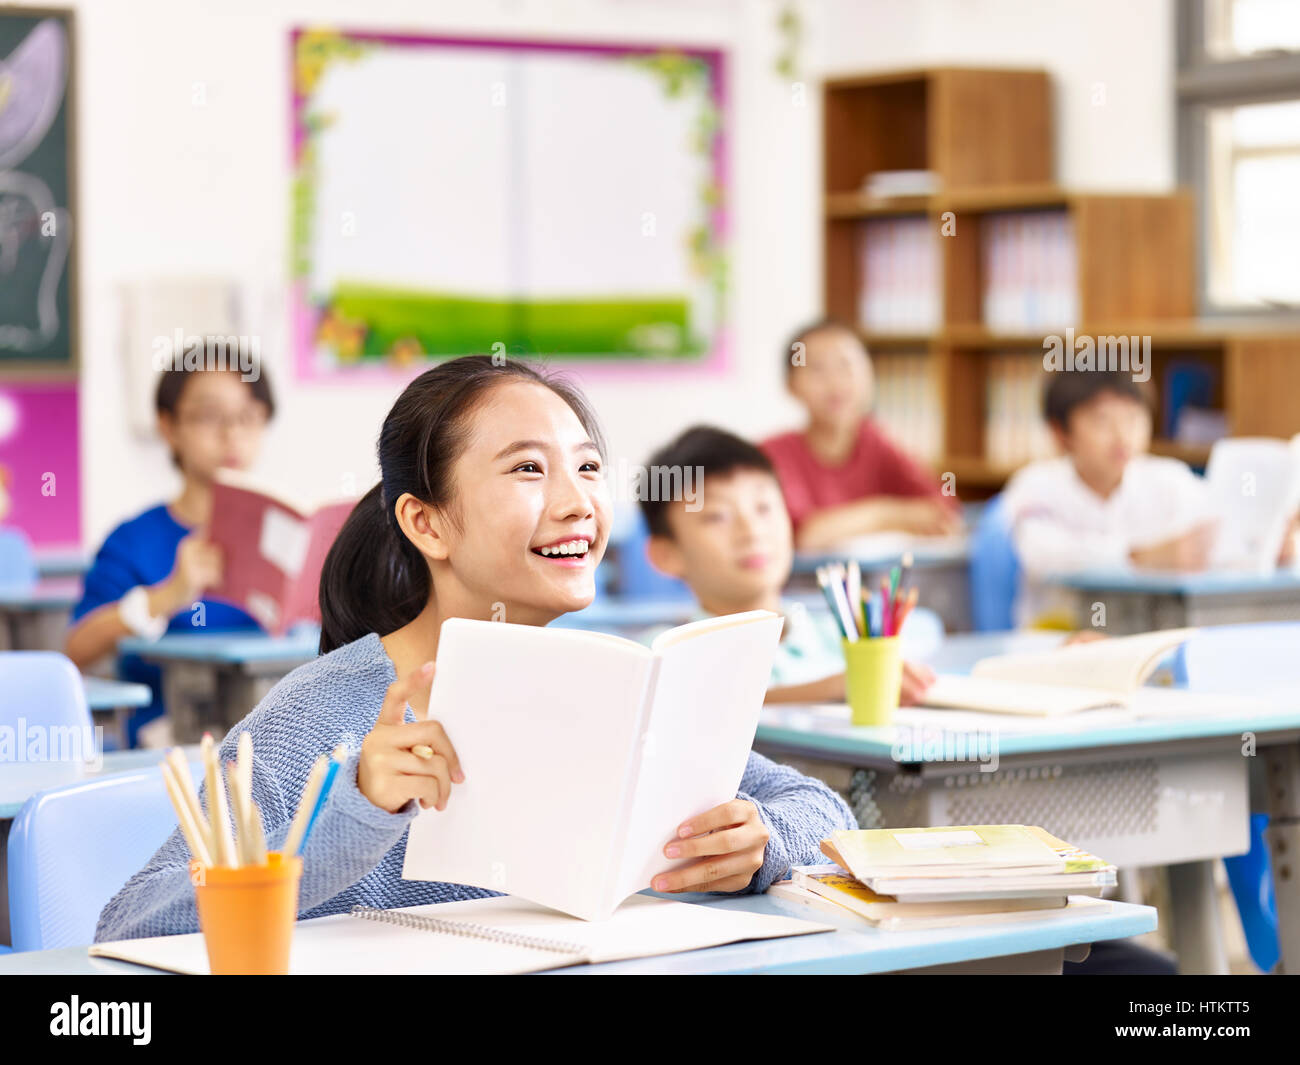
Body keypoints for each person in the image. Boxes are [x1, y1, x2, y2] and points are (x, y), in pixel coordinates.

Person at [95, 356, 857, 943]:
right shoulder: (326, 710)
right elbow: (129, 923)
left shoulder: (611, 685)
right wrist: (358, 811)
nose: (578, 502)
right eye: (529, 468)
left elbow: (822, 810)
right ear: (427, 524)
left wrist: (759, 844)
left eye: (587, 467)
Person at [640, 425, 936, 706]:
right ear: (666, 555)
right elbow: (710, 704)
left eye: (764, 508)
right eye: (718, 516)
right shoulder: (663, 653)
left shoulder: (844, 640)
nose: (752, 530)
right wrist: (837, 687)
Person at [66, 365, 274, 746]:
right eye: (210, 415)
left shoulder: (284, 541)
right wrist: (167, 596)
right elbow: (75, 649)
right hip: (167, 748)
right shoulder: (133, 540)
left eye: (247, 416)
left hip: (273, 745)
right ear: (168, 426)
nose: (231, 433)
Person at [1002, 368, 1296, 628]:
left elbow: (1221, 532)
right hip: (1058, 637)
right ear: (1060, 430)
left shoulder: (1169, 480)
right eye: (1102, 421)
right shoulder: (1036, 485)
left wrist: (1271, 543)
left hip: (1145, 637)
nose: (1121, 435)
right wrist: (1139, 557)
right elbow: (1042, 555)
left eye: (1132, 418)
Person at [761, 318, 960, 552]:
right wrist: (888, 515)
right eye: (817, 368)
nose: (835, 382)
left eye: (846, 365)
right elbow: (807, 535)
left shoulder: (875, 440)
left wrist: (861, 520)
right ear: (791, 385)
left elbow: (943, 511)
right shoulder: (773, 454)